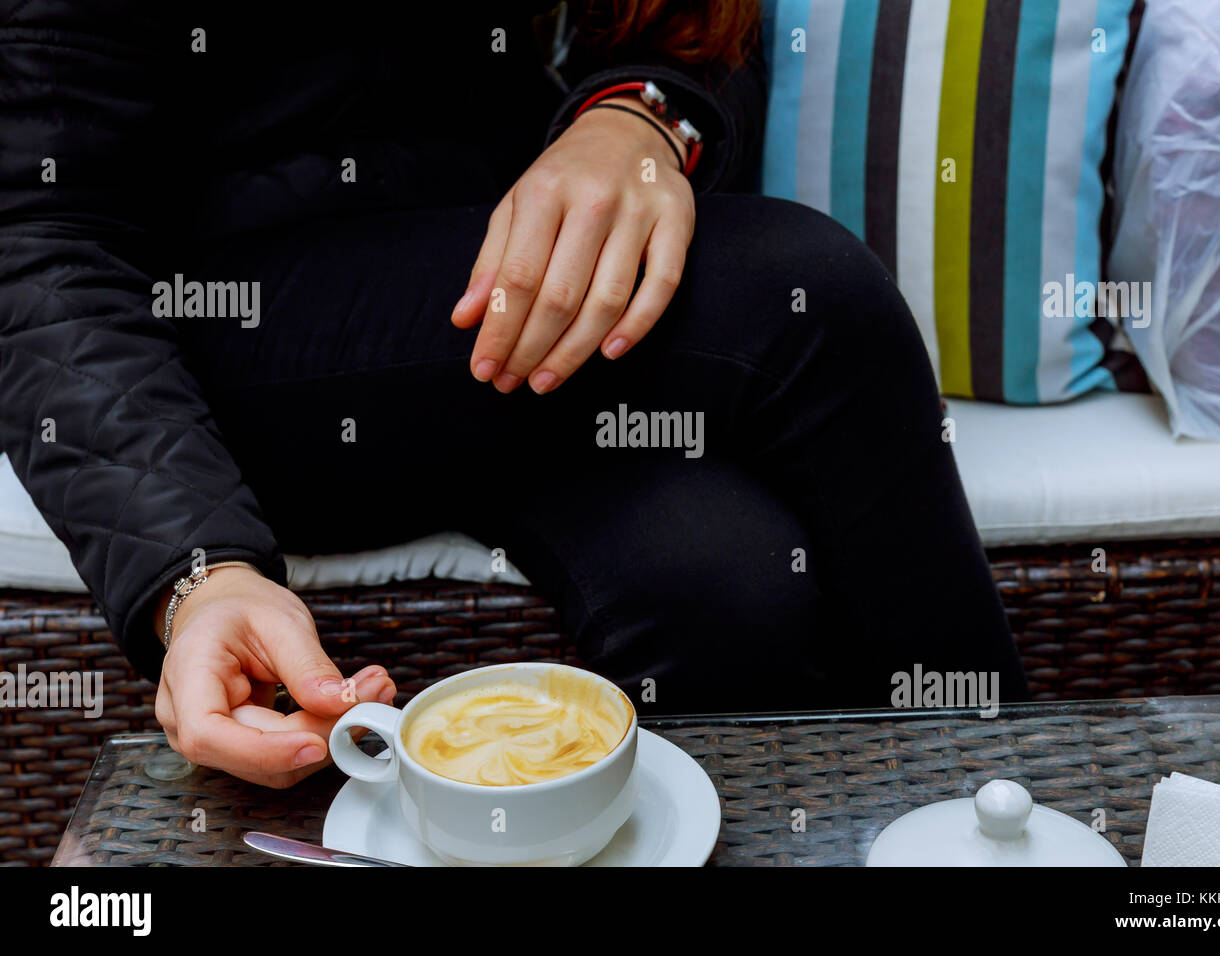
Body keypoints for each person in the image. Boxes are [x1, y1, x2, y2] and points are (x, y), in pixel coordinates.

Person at [0, 0, 1027, 788]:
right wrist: (197, 572)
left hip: (505, 306)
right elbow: (38, 233)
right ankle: (1013, 812)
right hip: (225, 341)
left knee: (729, 588)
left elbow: (690, 27)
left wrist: (636, 116)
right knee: (813, 299)